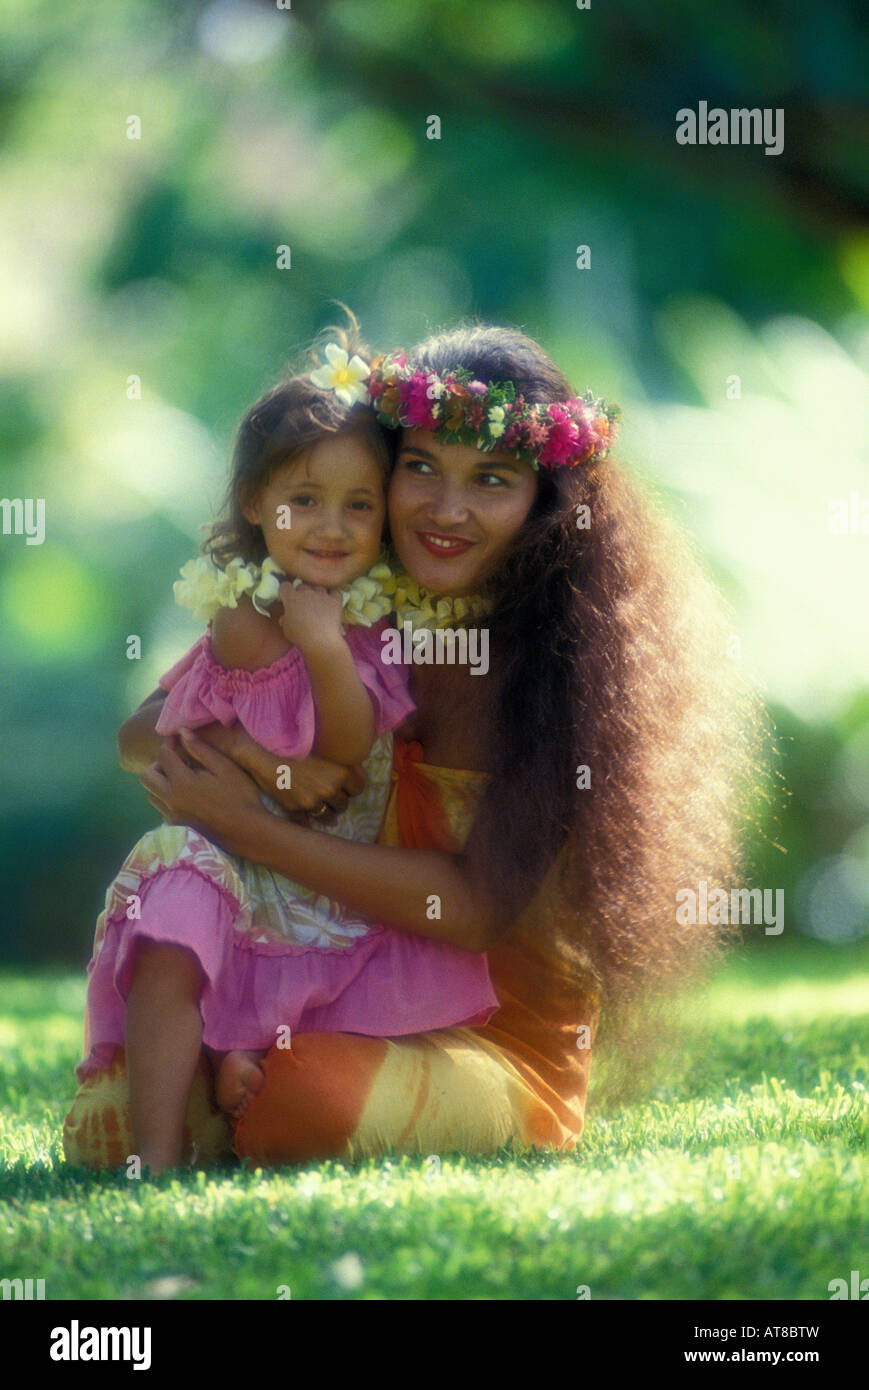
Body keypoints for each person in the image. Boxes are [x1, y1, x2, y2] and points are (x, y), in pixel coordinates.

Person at [64, 322, 757, 1171]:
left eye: (491, 481)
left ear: (546, 503)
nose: (446, 509)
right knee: (113, 1122)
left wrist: (250, 825)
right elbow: (147, 735)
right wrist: (248, 753)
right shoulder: (346, 608)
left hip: (490, 1049)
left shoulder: (562, 665)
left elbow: (470, 911)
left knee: (301, 1098)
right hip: (331, 991)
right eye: (420, 468)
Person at [68, 330, 498, 1175]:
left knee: (305, 1065)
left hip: (328, 888)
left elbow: (340, 757)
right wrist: (251, 756)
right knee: (172, 887)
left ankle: (242, 1057)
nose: (332, 528)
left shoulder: (377, 629)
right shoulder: (235, 611)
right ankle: (155, 1159)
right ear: (256, 504)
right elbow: (144, 737)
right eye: (304, 500)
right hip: (227, 869)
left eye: (359, 504)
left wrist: (325, 649)